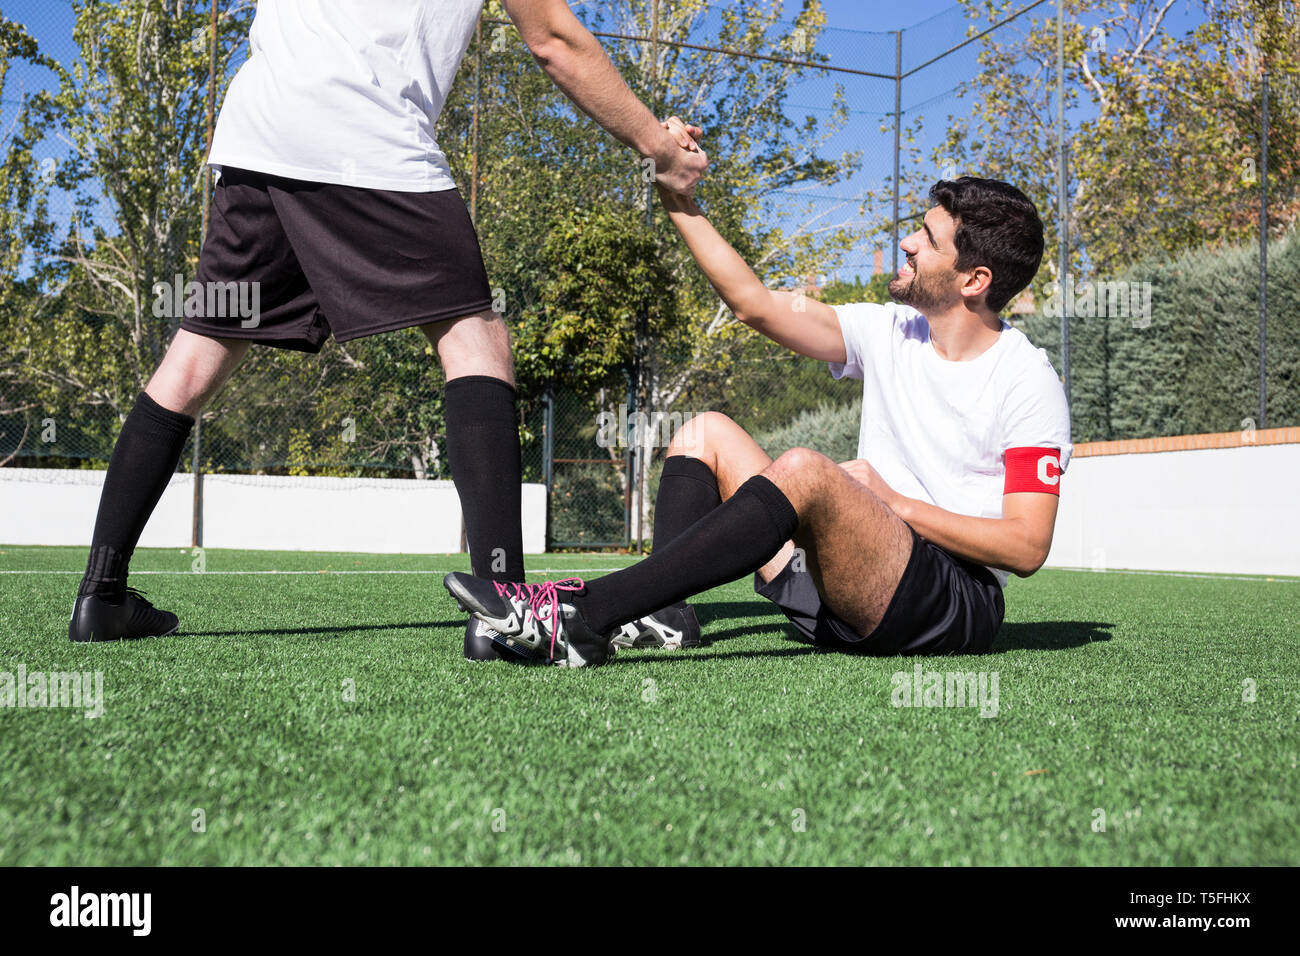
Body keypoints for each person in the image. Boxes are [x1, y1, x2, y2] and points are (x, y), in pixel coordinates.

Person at [68, 0, 708, 660]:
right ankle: (504, 609)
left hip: (259, 129)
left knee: (196, 357)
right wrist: (658, 147)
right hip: (358, 124)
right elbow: (554, 41)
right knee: (475, 337)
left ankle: (101, 594)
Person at [445, 127, 1070, 667]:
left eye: (928, 239)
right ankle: (664, 614)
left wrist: (893, 502)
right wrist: (676, 195)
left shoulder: (1026, 379)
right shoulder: (891, 330)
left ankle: (583, 616)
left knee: (805, 470)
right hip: (843, 590)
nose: (907, 242)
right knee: (706, 432)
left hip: (945, 604)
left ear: (974, 280)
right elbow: (754, 304)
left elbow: (1024, 547)